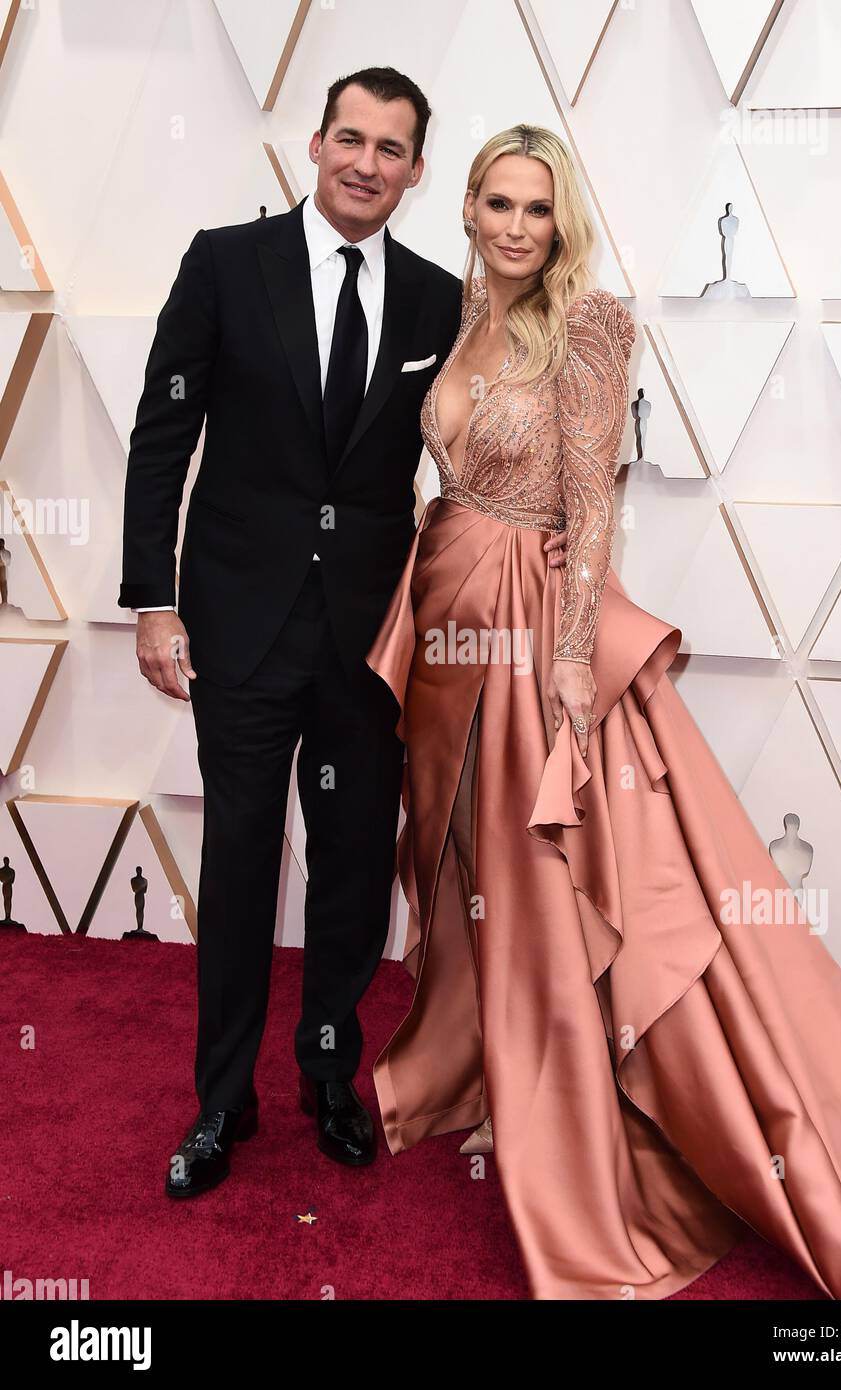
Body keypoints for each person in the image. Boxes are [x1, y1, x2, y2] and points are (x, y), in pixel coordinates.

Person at [366, 122, 841, 1300]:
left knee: (548, 879)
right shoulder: (457, 315)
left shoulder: (589, 324)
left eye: (538, 208)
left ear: (561, 222)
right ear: (466, 207)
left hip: (533, 630)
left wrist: (573, 659)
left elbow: (593, 502)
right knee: (471, 860)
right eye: (499, 203)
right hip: (445, 619)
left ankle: (577, 1122)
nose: (517, 227)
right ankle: (497, 1070)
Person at [118, 68, 567, 1198]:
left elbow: (490, 436)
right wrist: (153, 599)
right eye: (351, 139)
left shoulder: (435, 299)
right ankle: (222, 1100)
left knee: (356, 865)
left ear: (417, 172)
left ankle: (328, 1073)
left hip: (373, 636)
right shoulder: (226, 263)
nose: (368, 163)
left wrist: (540, 545)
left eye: (392, 149)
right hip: (240, 622)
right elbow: (162, 435)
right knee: (237, 860)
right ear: (316, 145)